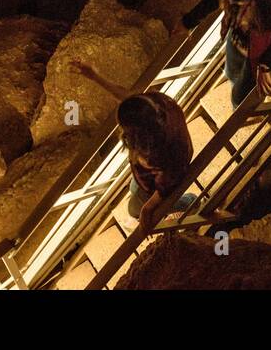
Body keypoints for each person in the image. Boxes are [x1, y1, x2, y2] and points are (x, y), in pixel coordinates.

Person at [69, 60, 194, 230]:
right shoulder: (157, 104)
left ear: (137, 135)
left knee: (134, 208)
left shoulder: (160, 154)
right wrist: (95, 76)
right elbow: (128, 98)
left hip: (160, 179)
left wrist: (147, 210)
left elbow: (167, 184)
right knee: (135, 189)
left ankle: (190, 202)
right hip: (154, 172)